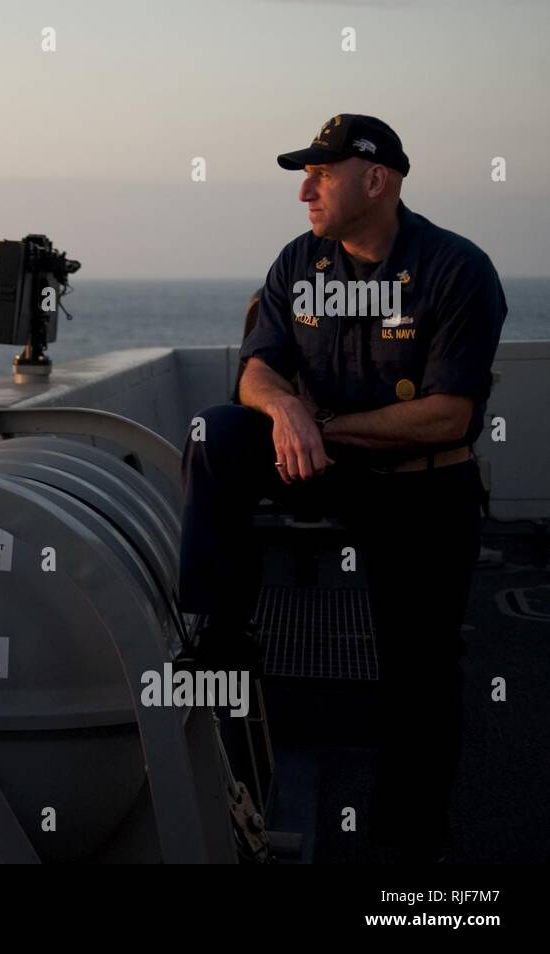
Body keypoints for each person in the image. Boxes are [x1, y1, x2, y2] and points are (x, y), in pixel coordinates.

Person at [177, 114, 507, 861]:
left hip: (418, 492)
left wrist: (319, 424)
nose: (305, 192)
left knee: (418, 683)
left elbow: (449, 417)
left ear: (376, 180)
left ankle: (407, 857)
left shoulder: (457, 270)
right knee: (219, 433)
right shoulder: (301, 262)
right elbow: (257, 367)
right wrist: (287, 408)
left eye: (320, 175)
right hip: (322, 468)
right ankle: (220, 635)